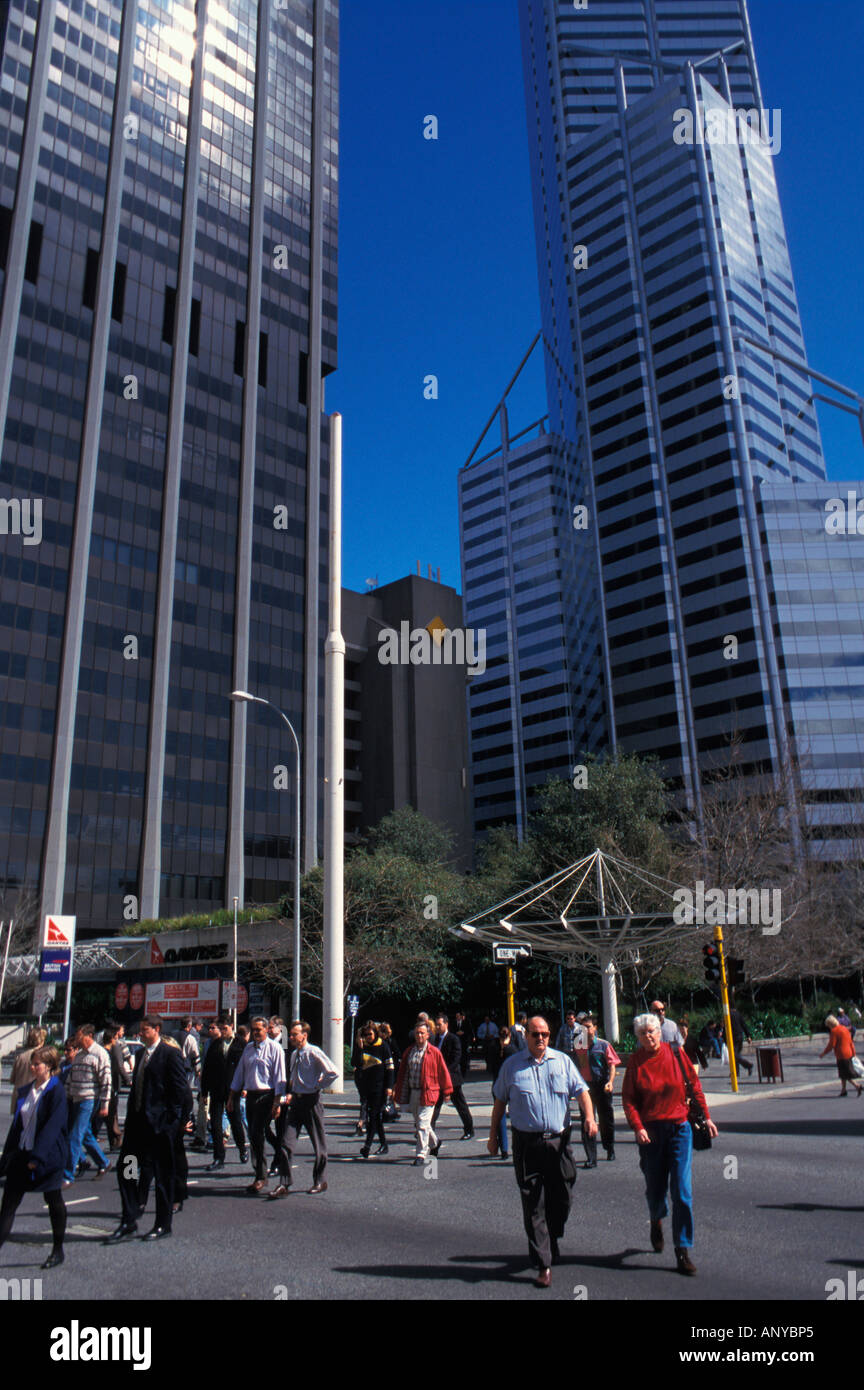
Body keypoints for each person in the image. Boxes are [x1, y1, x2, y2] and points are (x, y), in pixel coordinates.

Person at [488, 1015, 597, 1288]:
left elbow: (582, 1091)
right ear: (525, 1037)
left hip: (559, 1143)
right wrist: (493, 1136)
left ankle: (552, 1235)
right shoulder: (511, 1067)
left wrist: (590, 1118)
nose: (540, 1039)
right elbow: (500, 1102)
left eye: (545, 1034)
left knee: (563, 1197)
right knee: (533, 1201)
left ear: (550, 1036)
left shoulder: (562, 1062)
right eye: (535, 1034)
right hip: (528, 1143)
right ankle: (543, 1263)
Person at [622, 1012, 718, 1276]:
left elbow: (693, 1085)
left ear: (660, 1032)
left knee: (682, 1192)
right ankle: (656, 1219)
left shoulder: (675, 1054)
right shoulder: (636, 1062)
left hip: (679, 1129)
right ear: (638, 1038)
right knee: (655, 1188)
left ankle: (682, 1249)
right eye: (643, 1034)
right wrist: (638, 1127)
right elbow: (628, 1099)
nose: (649, 1036)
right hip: (651, 1133)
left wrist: (707, 1117)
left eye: (652, 1031)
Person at [106, 1014, 188, 1242]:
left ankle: (163, 1224)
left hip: (159, 1128)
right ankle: (129, 1218)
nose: (141, 1033)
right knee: (127, 1170)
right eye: (141, 1029)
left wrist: (170, 1122)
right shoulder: (140, 1054)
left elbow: (179, 1091)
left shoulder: (170, 1054)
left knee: (162, 1177)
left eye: (146, 1029)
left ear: (157, 1029)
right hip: (137, 1126)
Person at [0, 1045, 70, 1269]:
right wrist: (6, 1159)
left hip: (47, 1157)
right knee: (8, 1205)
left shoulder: (57, 1091)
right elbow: (17, 1126)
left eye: (36, 1063)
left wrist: (37, 1158)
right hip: (22, 1154)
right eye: (32, 1062)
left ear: (49, 1066)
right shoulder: (27, 1090)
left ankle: (57, 1250)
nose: (32, 1066)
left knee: (53, 1200)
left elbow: (53, 1127)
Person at [270, 1021, 339, 1197]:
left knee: (318, 1145)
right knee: (286, 1143)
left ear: (304, 1035)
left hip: (311, 1102)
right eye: (290, 1034)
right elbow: (292, 1077)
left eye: (294, 1034)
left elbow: (333, 1072)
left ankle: (320, 1180)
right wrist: (290, 1093)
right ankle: (284, 1183)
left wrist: (317, 1085)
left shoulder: (313, 1052)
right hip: (296, 1103)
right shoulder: (294, 1054)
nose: (291, 1037)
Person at [228, 1016, 287, 1193]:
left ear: (267, 1029)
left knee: (256, 1132)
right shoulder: (248, 1049)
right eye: (253, 1030)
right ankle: (279, 1153)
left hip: (267, 1096)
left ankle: (261, 1176)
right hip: (251, 1096)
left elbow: (280, 1077)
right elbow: (239, 1074)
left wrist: (278, 1102)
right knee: (256, 1134)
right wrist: (232, 1097)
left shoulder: (275, 1048)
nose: (255, 1033)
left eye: (259, 1030)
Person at [394, 1022, 452, 1165]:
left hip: (428, 1092)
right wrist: (397, 1090)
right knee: (421, 1123)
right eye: (417, 1033)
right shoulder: (409, 1051)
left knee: (422, 1124)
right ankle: (435, 1143)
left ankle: (420, 1154)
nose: (419, 1035)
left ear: (428, 1035)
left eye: (422, 1033)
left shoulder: (434, 1052)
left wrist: (447, 1090)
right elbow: (402, 1074)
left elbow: (443, 1072)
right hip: (413, 1093)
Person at [62, 1023, 111, 1186]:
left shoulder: (100, 1054)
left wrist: (105, 1104)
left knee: (75, 1135)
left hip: (89, 1099)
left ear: (89, 1036)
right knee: (85, 1134)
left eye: (79, 1036)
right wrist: (66, 1094)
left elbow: (106, 1080)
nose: (77, 1039)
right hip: (76, 1098)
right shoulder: (80, 1055)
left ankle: (68, 1175)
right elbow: (71, 1077)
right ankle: (103, 1162)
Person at [573, 1013, 620, 1165]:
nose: (585, 1030)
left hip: (602, 1085)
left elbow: (612, 1065)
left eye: (588, 1027)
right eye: (583, 1028)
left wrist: (610, 1082)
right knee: (587, 1119)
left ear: (595, 1028)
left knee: (606, 1119)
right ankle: (591, 1157)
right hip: (586, 1087)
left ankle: (609, 1147)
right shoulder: (578, 1045)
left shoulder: (603, 1045)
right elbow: (578, 1066)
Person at [201, 1019, 248, 1169]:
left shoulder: (240, 1043)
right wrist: (204, 1091)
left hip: (233, 1090)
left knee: (235, 1122)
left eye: (225, 1028)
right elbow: (207, 1068)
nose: (222, 1031)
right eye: (220, 1028)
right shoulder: (215, 1044)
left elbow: (247, 1066)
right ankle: (218, 1157)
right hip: (216, 1089)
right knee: (215, 1124)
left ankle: (242, 1148)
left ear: (232, 1026)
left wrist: (245, 1086)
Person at [350, 1021, 395, 1159]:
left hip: (380, 1087)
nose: (368, 1037)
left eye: (370, 1034)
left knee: (374, 1115)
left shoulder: (383, 1046)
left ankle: (367, 1146)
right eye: (365, 1035)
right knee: (374, 1117)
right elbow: (355, 1063)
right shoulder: (363, 1047)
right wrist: (359, 1048)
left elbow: (390, 1068)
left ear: (375, 1033)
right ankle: (383, 1144)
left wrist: (389, 1086)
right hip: (366, 1087)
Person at [430, 1014, 474, 1141]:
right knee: (435, 1106)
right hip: (437, 1079)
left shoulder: (453, 1039)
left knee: (460, 1105)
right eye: (436, 1024)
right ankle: (429, 1131)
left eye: (440, 1024)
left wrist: (445, 1073)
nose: (437, 1027)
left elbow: (456, 1059)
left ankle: (469, 1129)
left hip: (452, 1078)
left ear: (446, 1024)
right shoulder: (435, 1039)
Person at [487, 1024, 518, 1159]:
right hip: (512, 1085)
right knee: (516, 1115)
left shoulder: (493, 1048)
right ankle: (516, 1146)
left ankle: (503, 1148)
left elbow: (489, 1067)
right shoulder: (512, 1050)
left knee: (499, 1115)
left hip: (497, 1083)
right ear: (509, 1036)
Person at [99, 1022, 129, 1150]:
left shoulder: (101, 1048)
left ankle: (114, 1139)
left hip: (106, 1084)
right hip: (112, 1084)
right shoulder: (115, 1046)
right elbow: (119, 1065)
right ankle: (116, 1138)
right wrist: (128, 1080)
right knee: (112, 1112)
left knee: (109, 1112)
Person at [820, 1013, 862, 1097]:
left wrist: (823, 1053)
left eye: (828, 1025)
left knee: (844, 1073)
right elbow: (851, 1042)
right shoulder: (844, 1029)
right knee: (843, 1073)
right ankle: (843, 1090)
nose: (828, 1027)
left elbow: (831, 1045)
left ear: (830, 1024)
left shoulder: (834, 1031)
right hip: (849, 1053)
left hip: (841, 1055)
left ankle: (857, 1086)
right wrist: (853, 1053)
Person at [9, 1027, 47, 1113]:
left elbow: (13, 1079)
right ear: (41, 1041)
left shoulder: (20, 1057)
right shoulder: (43, 1057)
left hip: (19, 1097)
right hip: (34, 1097)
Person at [725, 1006, 753, 1077]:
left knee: (734, 1055)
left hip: (733, 1037)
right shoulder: (738, 1014)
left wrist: (724, 1039)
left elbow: (725, 1027)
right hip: (740, 1036)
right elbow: (744, 1025)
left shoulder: (728, 1014)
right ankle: (736, 1072)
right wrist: (748, 1036)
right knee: (736, 1055)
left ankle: (748, 1065)